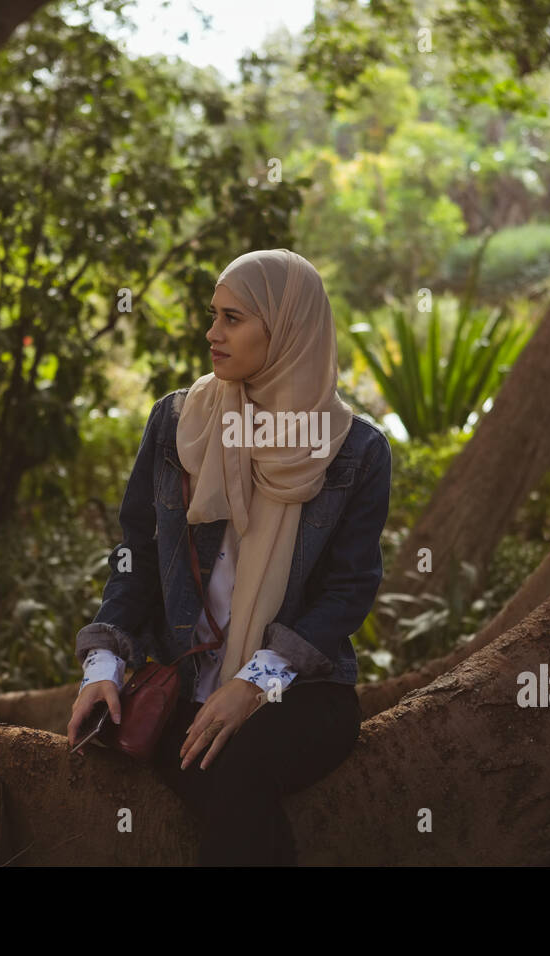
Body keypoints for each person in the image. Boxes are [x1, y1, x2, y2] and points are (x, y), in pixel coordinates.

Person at [66, 248, 392, 865]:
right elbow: (135, 556)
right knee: (207, 767)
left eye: (233, 319)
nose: (212, 334)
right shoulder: (178, 421)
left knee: (236, 764)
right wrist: (102, 665)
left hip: (302, 693)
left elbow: (348, 592)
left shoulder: (355, 451)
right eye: (213, 315)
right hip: (185, 687)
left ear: (288, 330)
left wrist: (254, 684)